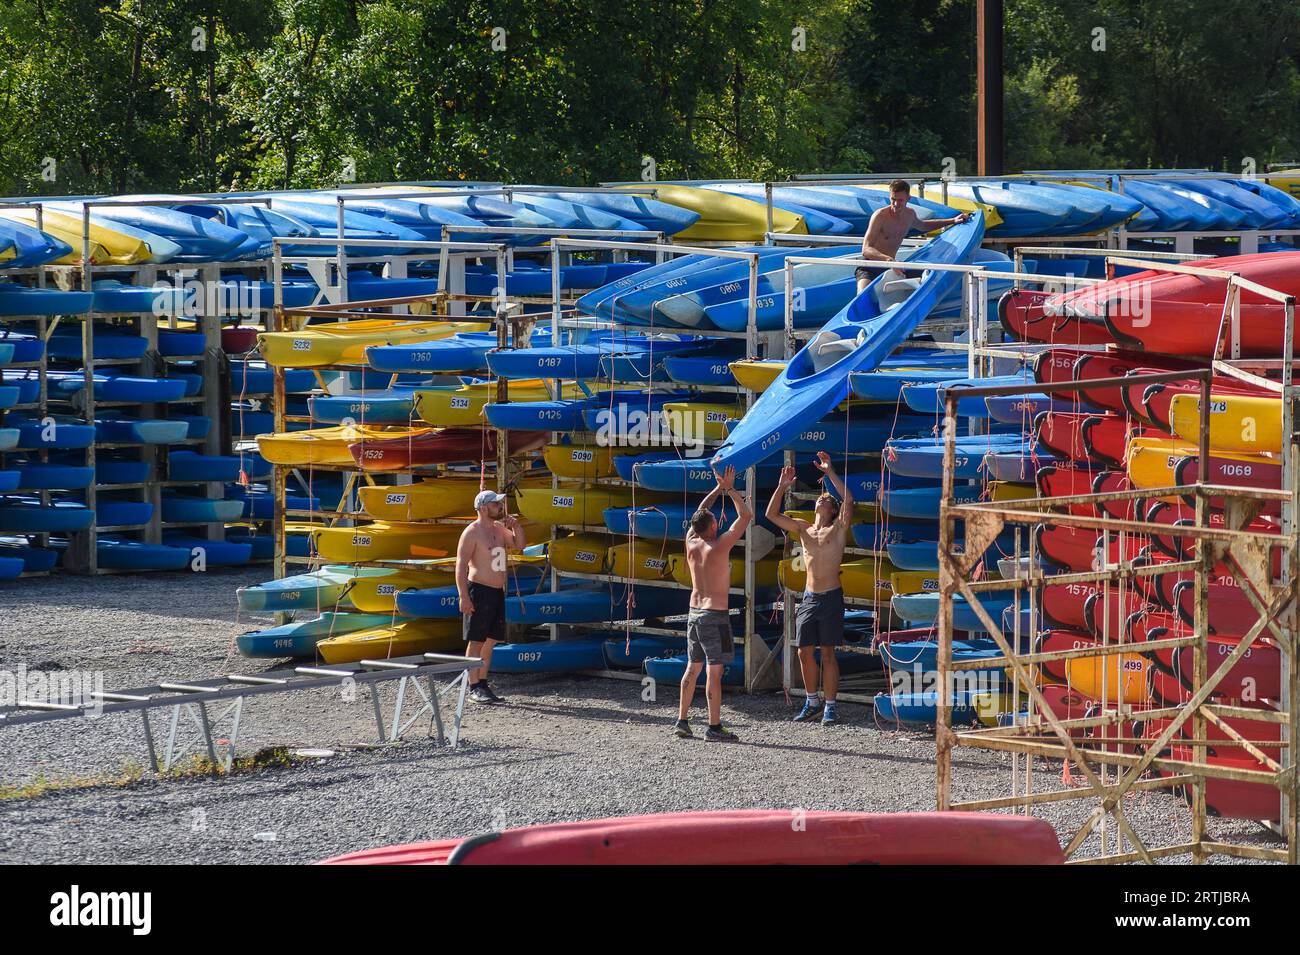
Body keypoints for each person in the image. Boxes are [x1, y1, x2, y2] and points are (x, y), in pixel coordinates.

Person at [764, 453, 852, 724]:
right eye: (821, 497)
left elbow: (848, 499)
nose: (823, 498)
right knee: (803, 650)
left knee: (827, 652)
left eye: (828, 499)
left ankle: (830, 705)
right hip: (810, 597)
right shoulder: (803, 529)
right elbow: (771, 514)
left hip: (831, 595)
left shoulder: (837, 528)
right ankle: (812, 700)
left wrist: (830, 472)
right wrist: (781, 486)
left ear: (833, 510)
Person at [674, 465, 752, 742]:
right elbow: (746, 516)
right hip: (715, 615)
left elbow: (699, 512)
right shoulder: (720, 546)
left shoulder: (691, 541)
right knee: (714, 671)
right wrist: (730, 489)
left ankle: (682, 721)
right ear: (715, 526)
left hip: (694, 613)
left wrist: (717, 489)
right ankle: (714, 727)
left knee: (692, 668)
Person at [456, 489, 525, 704]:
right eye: (495, 504)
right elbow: (460, 567)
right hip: (479, 589)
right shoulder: (471, 532)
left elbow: (520, 545)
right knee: (476, 640)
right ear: (484, 508)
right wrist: (463, 597)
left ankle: (483, 682)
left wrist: (516, 526)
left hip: (497, 591)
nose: (500, 507)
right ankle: (473, 685)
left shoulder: (499, 529)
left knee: (492, 639)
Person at [856, 179, 972, 293]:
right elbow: (866, 249)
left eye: (900, 200)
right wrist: (889, 260)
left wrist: (952, 220)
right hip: (870, 265)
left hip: (893, 267)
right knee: (861, 296)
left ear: (908, 198)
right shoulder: (880, 216)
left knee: (929, 276)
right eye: (893, 199)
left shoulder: (910, 214)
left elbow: (923, 226)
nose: (896, 204)